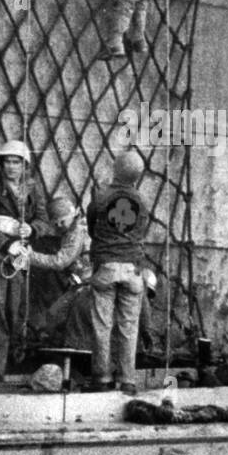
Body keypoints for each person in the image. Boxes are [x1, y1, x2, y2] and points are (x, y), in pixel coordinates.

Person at [0, 140, 49, 383]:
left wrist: (32, 229)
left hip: (20, 259)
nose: (12, 167)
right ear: (1, 164)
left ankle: (9, 363)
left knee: (16, 312)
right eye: (8, 161)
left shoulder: (32, 189)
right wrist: (5, 243)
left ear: (25, 165)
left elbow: (44, 219)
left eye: (17, 162)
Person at [86, 150, 154, 392]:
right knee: (129, 327)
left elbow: (91, 225)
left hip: (106, 266)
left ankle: (102, 379)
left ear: (115, 169)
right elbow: (142, 232)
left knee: (102, 326)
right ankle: (128, 380)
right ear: (138, 175)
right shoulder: (144, 200)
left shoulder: (101, 195)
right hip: (133, 269)